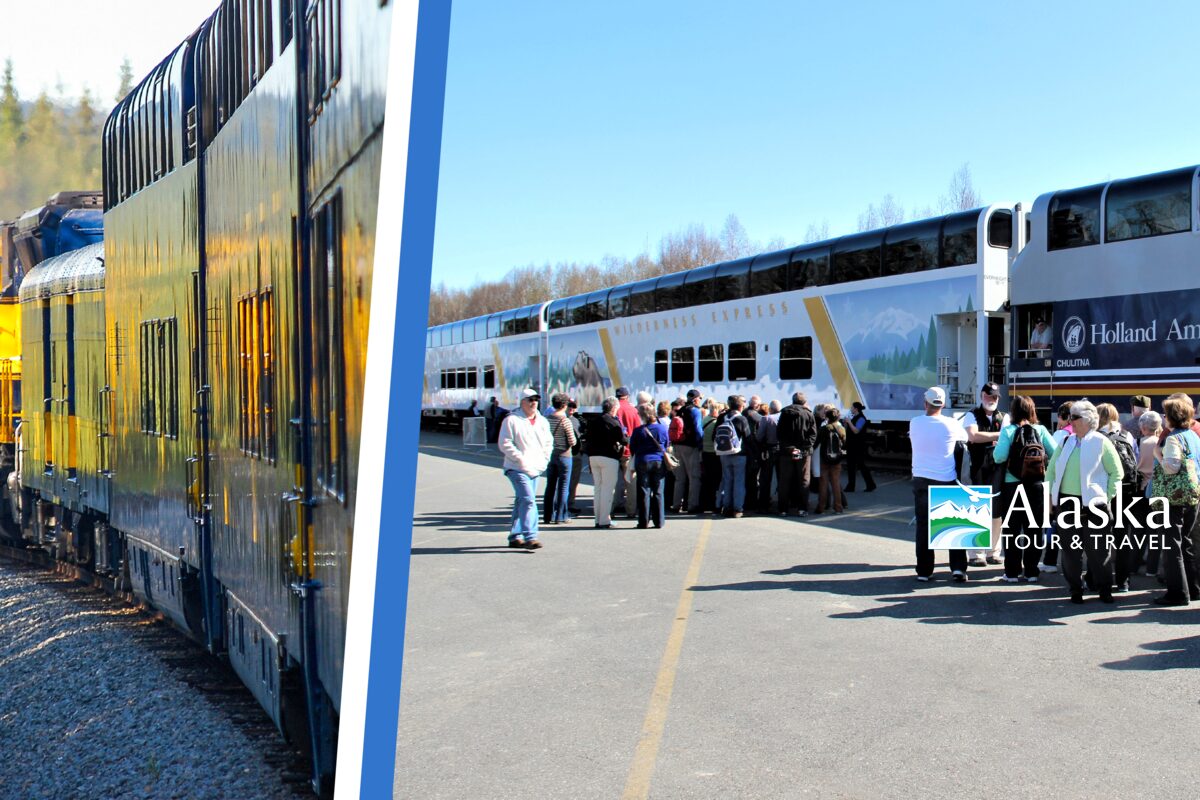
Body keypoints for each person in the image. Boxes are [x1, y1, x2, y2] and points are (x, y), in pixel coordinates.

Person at [1045, 400, 1124, 604]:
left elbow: (1117, 473)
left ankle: (1104, 589)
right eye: (1070, 417)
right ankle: (1075, 589)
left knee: (1098, 552)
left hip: (1094, 505)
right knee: (1070, 553)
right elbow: (1051, 471)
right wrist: (1052, 497)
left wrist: (1105, 497)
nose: (1070, 421)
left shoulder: (1101, 441)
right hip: (1067, 503)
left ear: (1088, 420)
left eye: (1075, 417)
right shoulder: (1066, 442)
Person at [991, 396, 1056, 583]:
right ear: (1032, 411)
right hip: (1036, 486)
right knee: (1033, 528)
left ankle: (1011, 572)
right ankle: (1032, 572)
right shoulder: (1041, 430)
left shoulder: (1009, 431)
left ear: (1013, 412)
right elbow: (1055, 452)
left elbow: (999, 457)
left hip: (1013, 485)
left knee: (1011, 529)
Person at [910, 387, 970, 582]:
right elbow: (966, 440)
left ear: (925, 403)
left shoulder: (915, 423)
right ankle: (958, 569)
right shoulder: (952, 424)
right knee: (955, 524)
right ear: (943, 404)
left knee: (924, 526)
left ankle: (924, 571)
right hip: (946, 479)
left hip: (920, 479)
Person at [1149, 397, 1200, 606]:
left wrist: (1157, 455)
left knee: (1172, 546)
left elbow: (1171, 467)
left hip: (1174, 498)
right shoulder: (1193, 436)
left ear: (1171, 416)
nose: (1163, 417)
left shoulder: (1173, 438)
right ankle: (1193, 588)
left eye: (1165, 413)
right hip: (1193, 495)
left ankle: (1177, 593)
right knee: (1186, 542)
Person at [497, 388, 553, 549]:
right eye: (530, 399)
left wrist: (544, 460)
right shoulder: (512, 420)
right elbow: (505, 443)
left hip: (535, 468)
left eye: (536, 399)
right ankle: (531, 536)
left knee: (521, 501)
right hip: (516, 468)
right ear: (522, 402)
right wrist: (519, 459)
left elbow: (548, 443)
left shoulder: (542, 421)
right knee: (529, 500)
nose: (533, 402)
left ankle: (515, 535)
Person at [1097, 402, 1139, 592]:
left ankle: (1097, 578)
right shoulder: (1127, 435)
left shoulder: (1097, 437)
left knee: (1099, 537)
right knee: (1123, 538)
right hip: (1126, 491)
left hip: (1103, 492)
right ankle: (1123, 581)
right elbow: (1134, 461)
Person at [965, 383, 1007, 567]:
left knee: (996, 512)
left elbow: (1003, 439)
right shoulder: (971, 414)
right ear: (982, 395)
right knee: (977, 510)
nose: (992, 400)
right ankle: (975, 554)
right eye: (989, 396)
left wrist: (988, 436)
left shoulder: (1004, 416)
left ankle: (993, 552)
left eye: (995, 397)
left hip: (997, 469)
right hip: (978, 469)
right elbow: (973, 436)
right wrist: (998, 436)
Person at [586, 397, 627, 529]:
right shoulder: (613, 422)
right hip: (609, 457)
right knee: (608, 489)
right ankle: (604, 519)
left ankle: (598, 518)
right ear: (614, 408)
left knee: (598, 489)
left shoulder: (594, 420)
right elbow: (622, 439)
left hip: (593, 457)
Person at [629, 403, 670, 529]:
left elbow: (633, 448)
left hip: (643, 460)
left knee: (644, 491)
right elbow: (667, 444)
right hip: (658, 461)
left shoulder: (638, 431)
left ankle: (643, 521)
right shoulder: (662, 429)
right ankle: (659, 521)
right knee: (658, 491)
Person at [777, 392, 817, 517]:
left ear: (793, 400)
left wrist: (791, 448)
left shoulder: (784, 413)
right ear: (804, 402)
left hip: (786, 452)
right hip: (803, 453)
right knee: (804, 480)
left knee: (785, 480)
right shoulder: (809, 414)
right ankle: (802, 508)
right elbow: (813, 435)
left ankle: (783, 509)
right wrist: (801, 448)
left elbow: (780, 433)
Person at [542, 393, 577, 525]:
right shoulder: (565, 420)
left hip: (551, 455)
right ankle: (561, 516)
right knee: (563, 487)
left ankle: (547, 515)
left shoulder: (546, 419)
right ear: (564, 405)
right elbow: (572, 441)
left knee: (550, 485)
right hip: (564, 455)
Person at [715, 395, 752, 517]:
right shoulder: (742, 419)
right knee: (739, 481)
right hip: (739, 454)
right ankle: (737, 509)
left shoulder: (722, 418)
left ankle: (726, 507)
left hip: (724, 454)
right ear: (741, 406)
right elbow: (748, 438)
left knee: (727, 480)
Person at [1137, 411, 1164, 578]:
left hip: (1141, 489)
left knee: (1138, 529)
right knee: (1155, 530)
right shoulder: (1160, 443)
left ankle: (1134, 563)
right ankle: (1152, 568)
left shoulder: (1140, 443)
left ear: (1144, 426)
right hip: (1157, 489)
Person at [673, 389, 704, 514]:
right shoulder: (695, 411)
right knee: (694, 477)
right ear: (696, 399)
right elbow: (697, 429)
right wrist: (700, 444)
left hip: (678, 445)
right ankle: (692, 505)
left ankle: (676, 504)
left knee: (679, 478)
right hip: (690, 446)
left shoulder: (681, 410)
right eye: (700, 398)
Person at [614, 387, 642, 518]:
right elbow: (638, 430)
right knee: (630, 480)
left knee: (615, 480)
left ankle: (613, 506)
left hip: (614, 450)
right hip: (628, 449)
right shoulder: (633, 410)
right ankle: (631, 509)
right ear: (627, 396)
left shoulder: (612, 408)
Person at [816, 408, 847, 514]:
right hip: (837, 460)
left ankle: (821, 507)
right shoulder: (841, 429)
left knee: (823, 483)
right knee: (836, 483)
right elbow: (844, 443)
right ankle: (838, 507)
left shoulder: (824, 429)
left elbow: (816, 443)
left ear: (827, 417)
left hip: (824, 459)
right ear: (838, 417)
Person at [755, 400, 782, 513]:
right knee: (782, 478)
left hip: (769, 450)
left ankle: (763, 505)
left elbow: (759, 437)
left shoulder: (766, 419)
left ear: (770, 409)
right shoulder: (783, 418)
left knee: (765, 478)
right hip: (782, 450)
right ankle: (782, 505)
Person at [843, 401, 876, 492]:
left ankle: (870, 484)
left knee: (861, 465)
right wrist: (846, 423)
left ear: (856, 409)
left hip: (858, 446)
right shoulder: (855, 418)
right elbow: (849, 430)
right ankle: (851, 486)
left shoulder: (862, 418)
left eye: (852, 407)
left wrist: (849, 422)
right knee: (851, 466)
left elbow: (856, 431)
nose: (851, 409)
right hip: (852, 445)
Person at [700, 400, 724, 513]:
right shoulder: (716, 423)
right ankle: (714, 504)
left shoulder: (704, 420)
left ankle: (704, 504)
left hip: (705, 452)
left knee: (706, 479)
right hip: (714, 453)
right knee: (715, 480)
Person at [566, 398, 586, 514]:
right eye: (569, 406)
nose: (571, 409)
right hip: (565, 453)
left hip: (576, 453)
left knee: (574, 480)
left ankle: (571, 502)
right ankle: (562, 503)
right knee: (564, 480)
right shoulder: (563, 419)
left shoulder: (578, 420)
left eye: (574, 407)